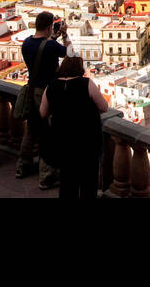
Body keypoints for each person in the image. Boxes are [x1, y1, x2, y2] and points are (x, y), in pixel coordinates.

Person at [39, 55, 108, 198]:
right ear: (79, 68)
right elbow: (104, 107)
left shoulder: (51, 86)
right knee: (88, 182)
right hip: (87, 140)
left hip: (63, 141)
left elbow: (42, 112)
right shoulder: (87, 84)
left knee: (67, 180)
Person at [17, 11, 67, 186]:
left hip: (31, 89)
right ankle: (47, 176)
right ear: (48, 26)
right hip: (47, 92)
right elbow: (67, 53)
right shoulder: (52, 46)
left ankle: (22, 166)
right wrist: (65, 35)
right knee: (48, 133)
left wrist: (52, 37)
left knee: (31, 129)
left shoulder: (26, 43)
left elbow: (43, 49)